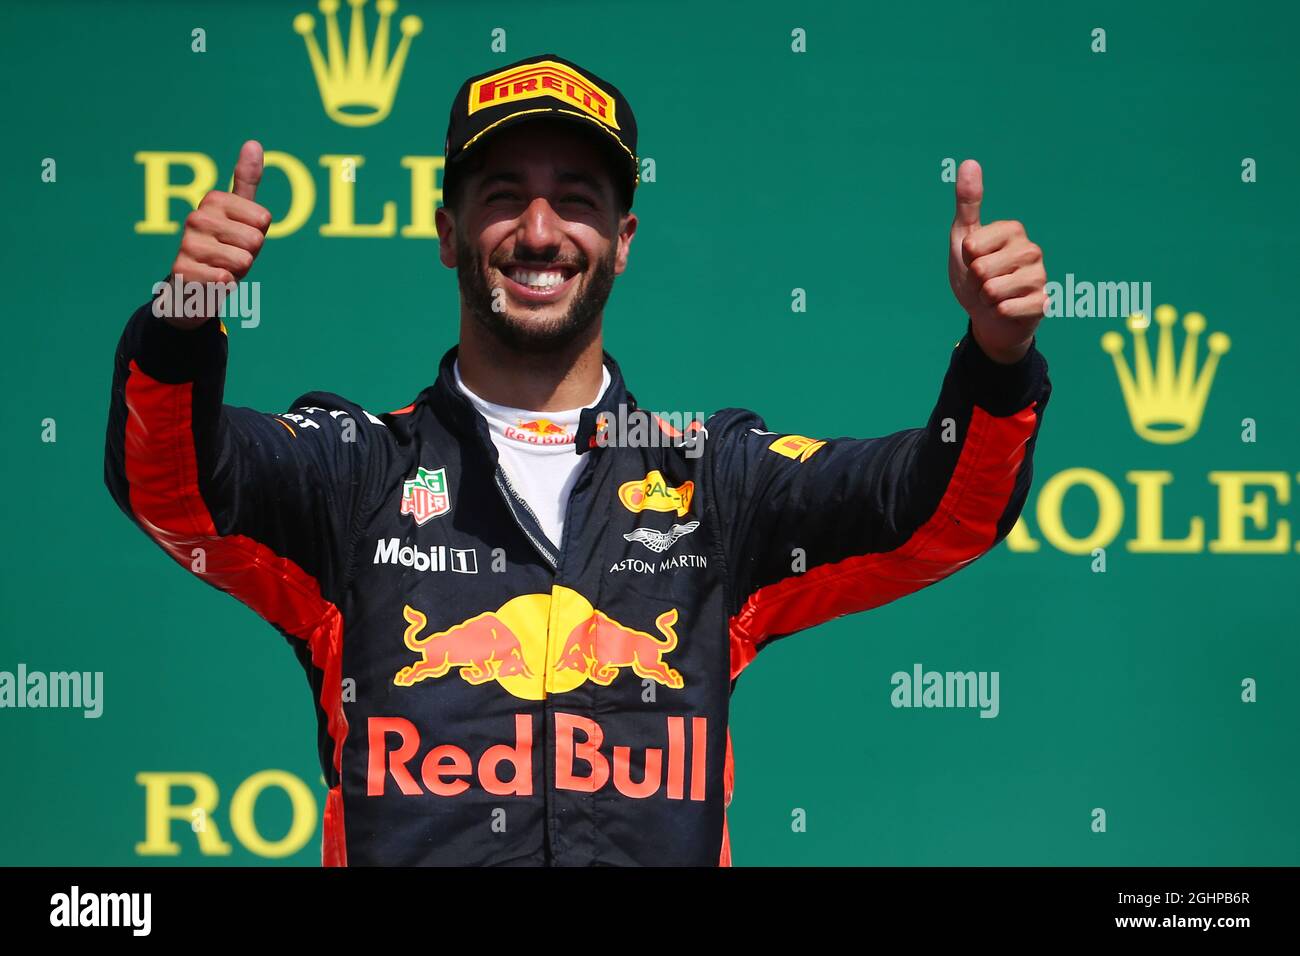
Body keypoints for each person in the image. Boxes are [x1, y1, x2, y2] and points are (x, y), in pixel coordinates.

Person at [104, 54, 1051, 866]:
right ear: (446, 232)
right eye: (505, 197)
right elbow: (173, 493)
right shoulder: (355, 472)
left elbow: (938, 517)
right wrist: (183, 321)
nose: (543, 231)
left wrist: (996, 361)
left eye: (579, 202)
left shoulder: (711, 479)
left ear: (623, 243)